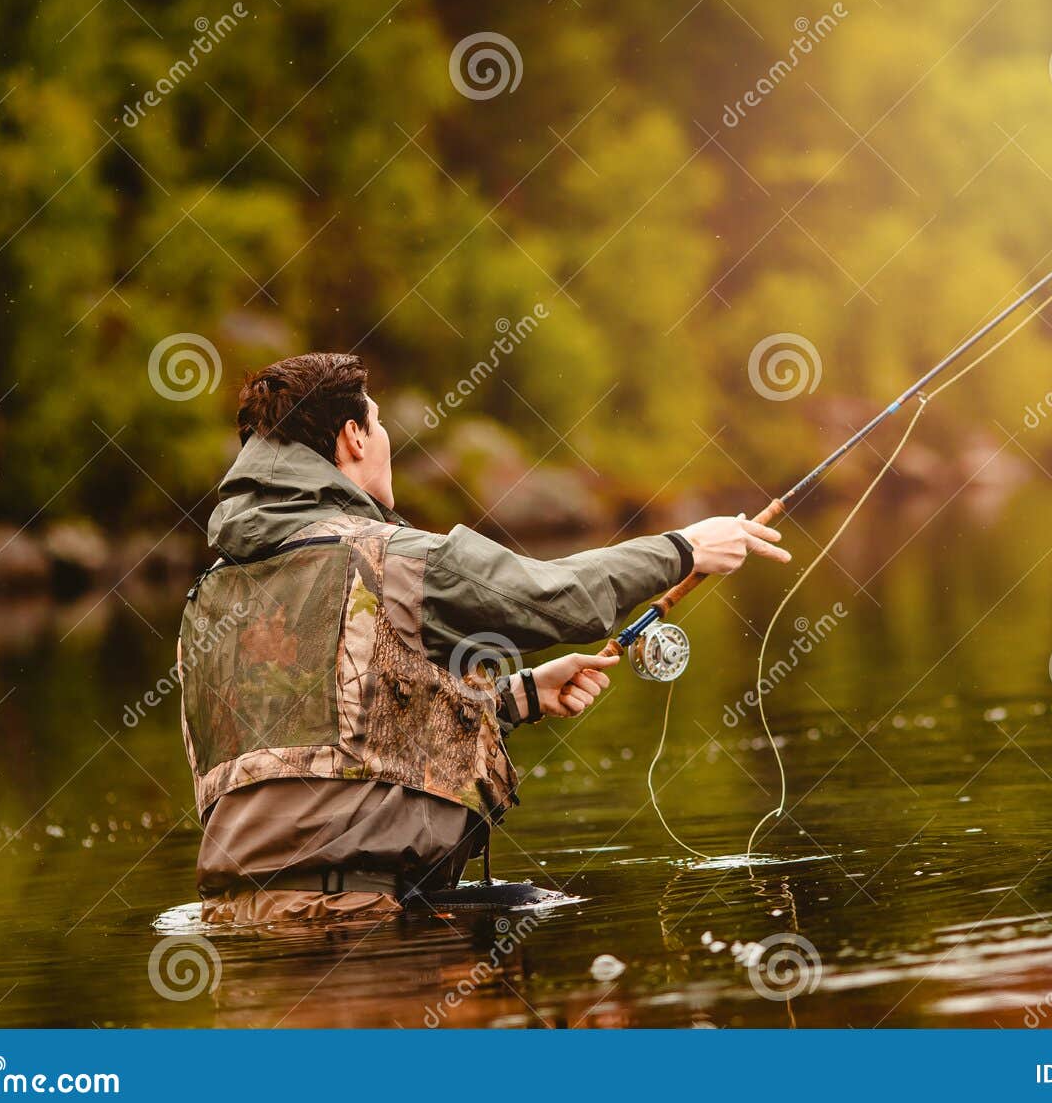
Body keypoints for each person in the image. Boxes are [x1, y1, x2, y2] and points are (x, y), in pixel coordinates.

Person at [177, 352, 789, 925]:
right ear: (353, 437)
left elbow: (332, 726)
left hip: (237, 921)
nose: (387, 439)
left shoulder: (206, 598)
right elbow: (556, 597)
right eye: (380, 422)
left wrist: (513, 698)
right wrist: (683, 549)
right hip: (359, 917)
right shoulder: (393, 559)